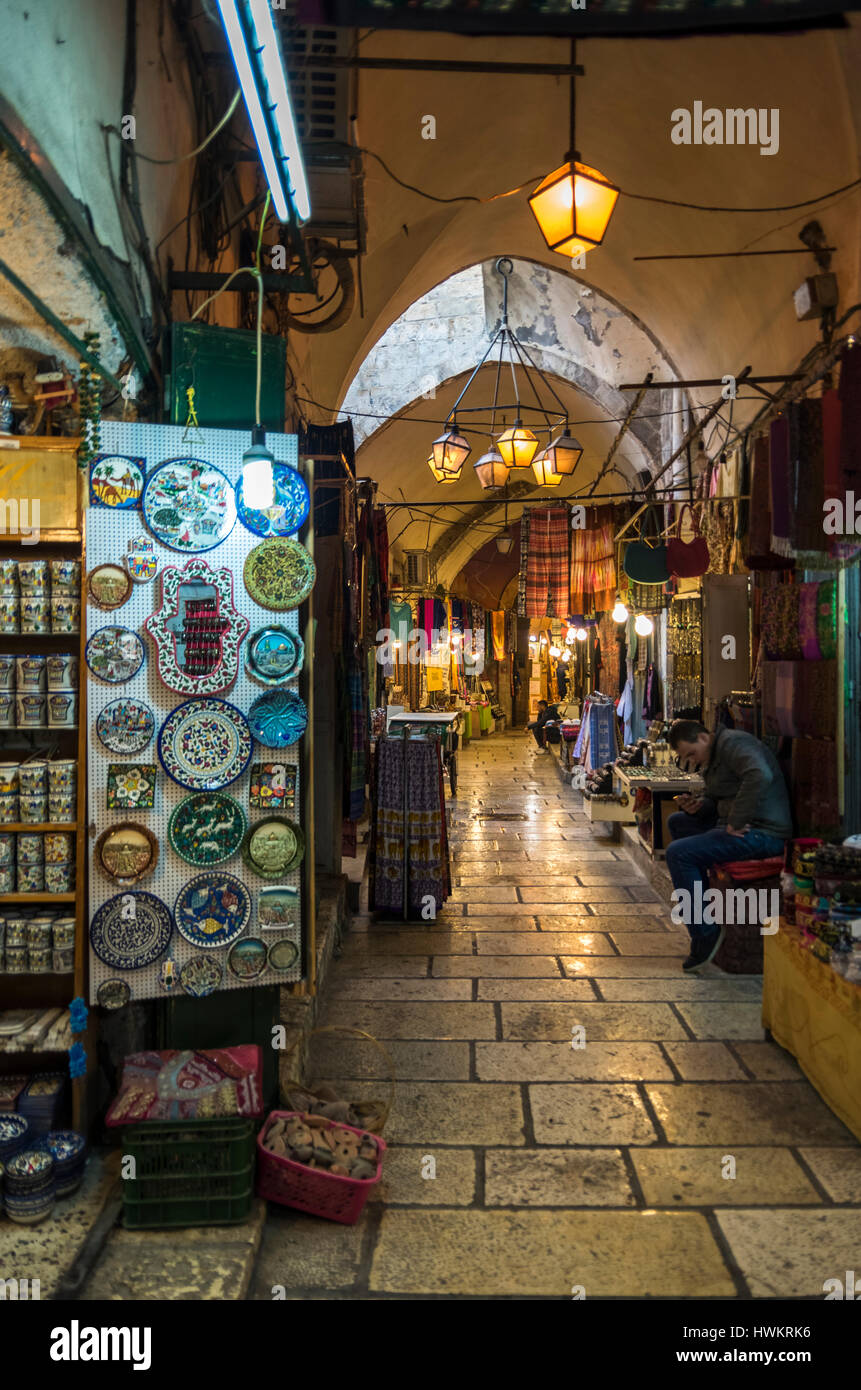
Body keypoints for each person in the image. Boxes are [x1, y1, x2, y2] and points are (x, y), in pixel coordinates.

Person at [665, 719, 792, 972]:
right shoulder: (714, 758)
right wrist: (698, 807)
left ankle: (704, 932)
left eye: (692, 753)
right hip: (738, 826)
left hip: (763, 832)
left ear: (703, 737)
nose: (692, 760)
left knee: (678, 854)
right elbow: (721, 800)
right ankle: (705, 909)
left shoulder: (733, 742)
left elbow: (759, 774)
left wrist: (737, 820)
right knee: (678, 823)